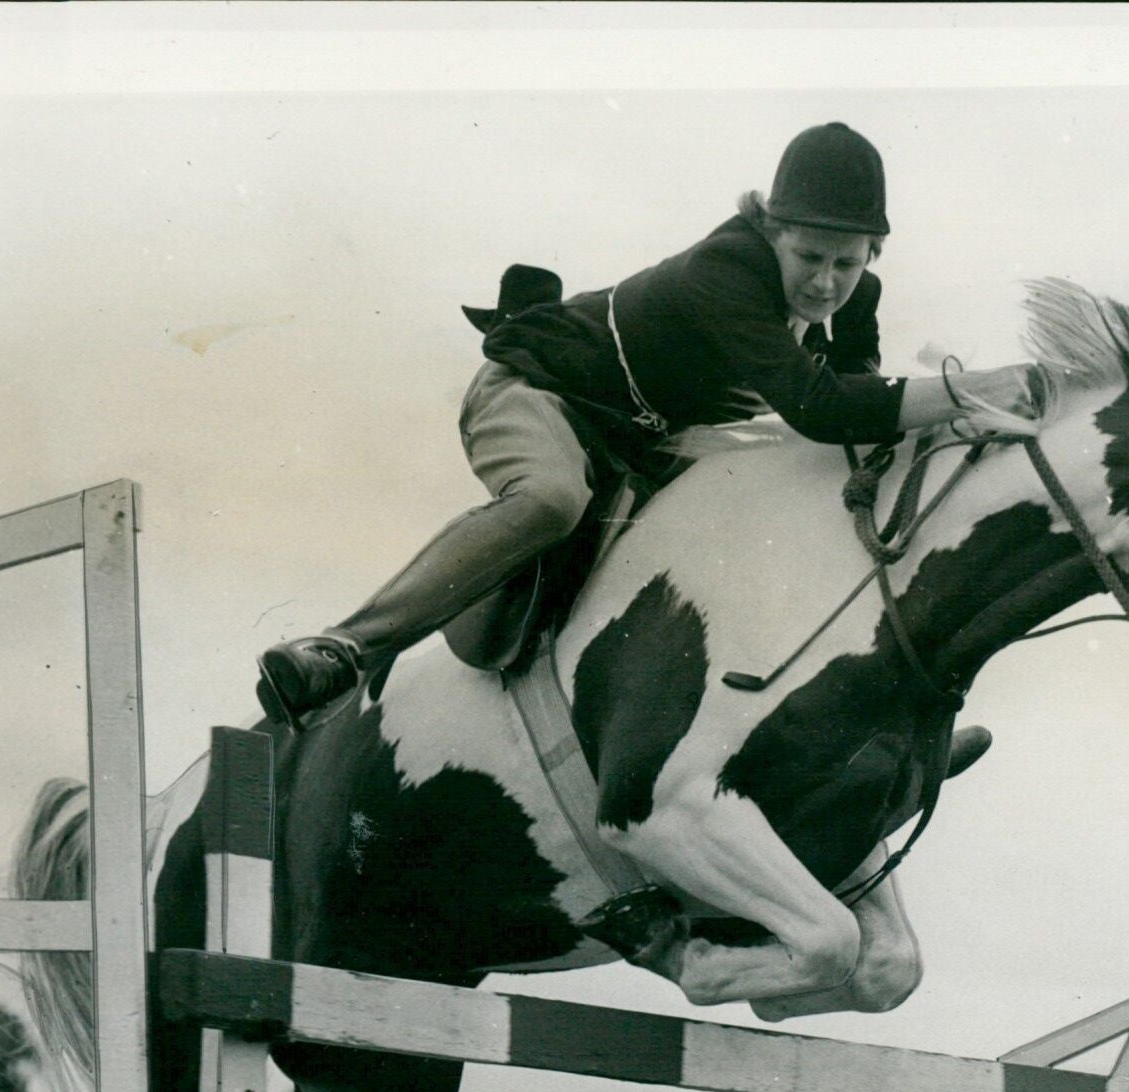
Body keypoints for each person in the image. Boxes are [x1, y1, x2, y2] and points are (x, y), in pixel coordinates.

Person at [257, 121, 1038, 726]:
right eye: (809, 256)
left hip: (639, 443)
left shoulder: (851, 298)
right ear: (769, 230)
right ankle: (343, 650)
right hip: (538, 392)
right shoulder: (726, 270)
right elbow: (820, 407)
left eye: (849, 261)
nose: (827, 282)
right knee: (553, 501)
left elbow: (857, 417)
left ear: (873, 252)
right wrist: (970, 391)